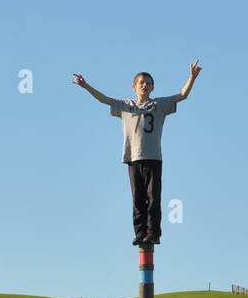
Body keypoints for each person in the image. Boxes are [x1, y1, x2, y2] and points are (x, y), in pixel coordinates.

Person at [73, 61, 201, 245]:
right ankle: (140, 233)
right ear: (134, 86)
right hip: (133, 158)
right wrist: (85, 86)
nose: (144, 85)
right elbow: (104, 99)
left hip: (154, 158)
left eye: (148, 83)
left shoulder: (160, 104)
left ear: (153, 87)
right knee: (138, 199)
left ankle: (153, 233)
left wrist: (192, 77)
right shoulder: (125, 105)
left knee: (153, 198)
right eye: (141, 82)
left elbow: (182, 95)